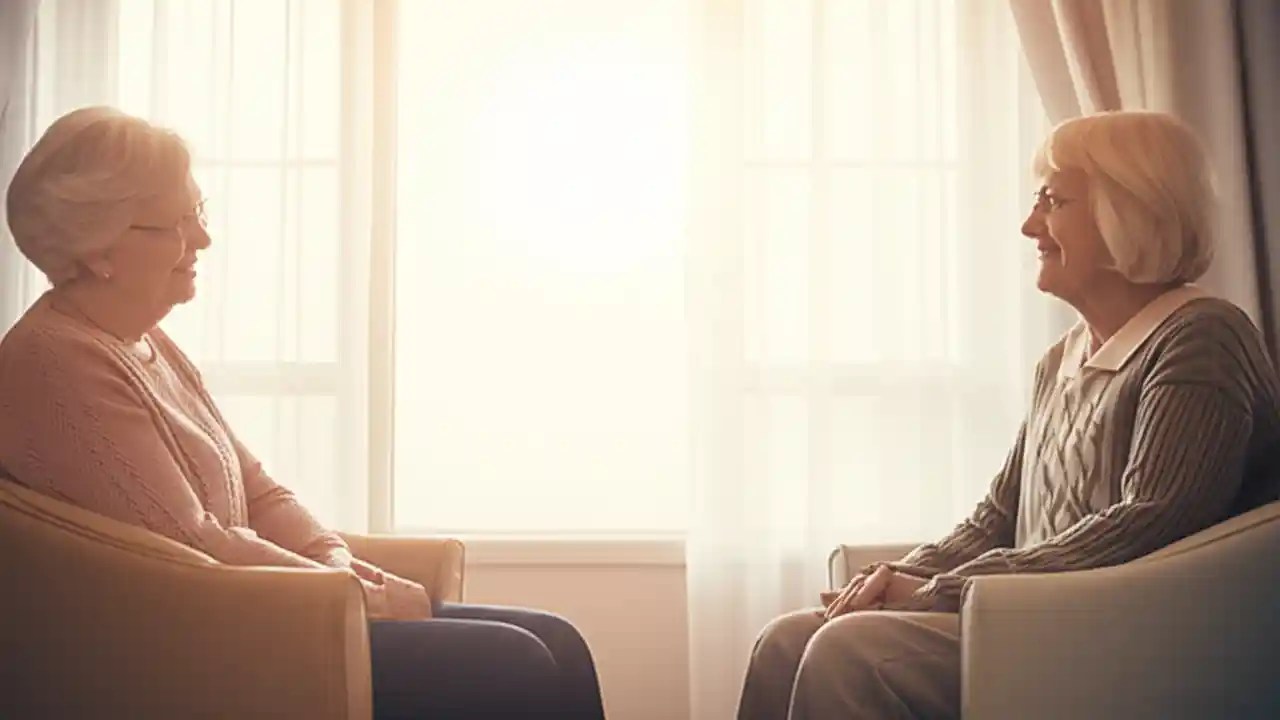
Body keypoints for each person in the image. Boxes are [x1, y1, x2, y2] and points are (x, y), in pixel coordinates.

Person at [0, 106, 606, 720]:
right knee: (515, 664)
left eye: (198, 212)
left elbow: (258, 491)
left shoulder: (146, 342)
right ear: (99, 246)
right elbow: (196, 544)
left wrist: (340, 564)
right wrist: (352, 596)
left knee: (558, 640)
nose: (203, 239)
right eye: (176, 223)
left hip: (264, 614)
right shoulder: (55, 363)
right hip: (210, 651)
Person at [737, 110, 1280, 719]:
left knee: (847, 653)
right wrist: (897, 576)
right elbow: (998, 515)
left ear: (1128, 210)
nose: (1030, 226)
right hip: (1029, 622)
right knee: (786, 640)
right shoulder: (1061, 360)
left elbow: (1151, 523)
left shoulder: (1202, 337)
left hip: (1125, 644)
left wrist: (947, 591)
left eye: (1052, 201)